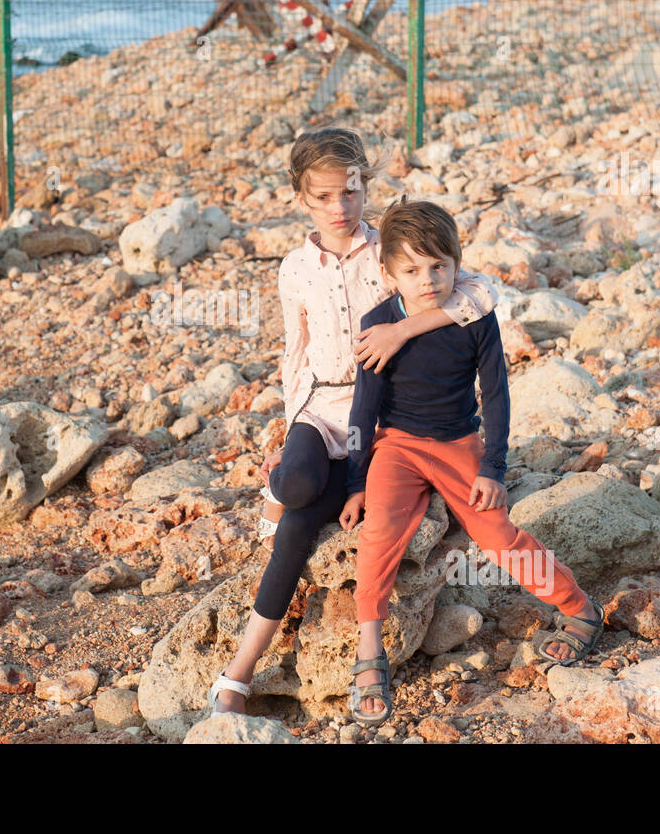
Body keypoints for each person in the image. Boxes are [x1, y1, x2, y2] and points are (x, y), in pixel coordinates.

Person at [207, 127, 499, 716]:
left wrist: (402, 329)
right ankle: (279, 486)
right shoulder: (294, 268)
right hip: (319, 407)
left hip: (378, 417)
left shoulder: (389, 251)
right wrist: (290, 428)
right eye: (324, 198)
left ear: (366, 186)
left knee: (296, 531)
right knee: (293, 486)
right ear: (301, 199)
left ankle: (238, 674)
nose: (340, 208)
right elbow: (294, 353)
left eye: (350, 192)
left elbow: (481, 294)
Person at [337, 198, 604, 726]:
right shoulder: (376, 325)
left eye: (439, 265)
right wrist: (355, 480)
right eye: (412, 269)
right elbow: (362, 409)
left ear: (457, 263)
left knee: (499, 538)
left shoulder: (474, 317)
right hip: (397, 446)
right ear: (390, 273)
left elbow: (496, 394)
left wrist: (493, 470)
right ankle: (370, 649)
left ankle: (580, 609)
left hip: (460, 444)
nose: (429, 279)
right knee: (379, 532)